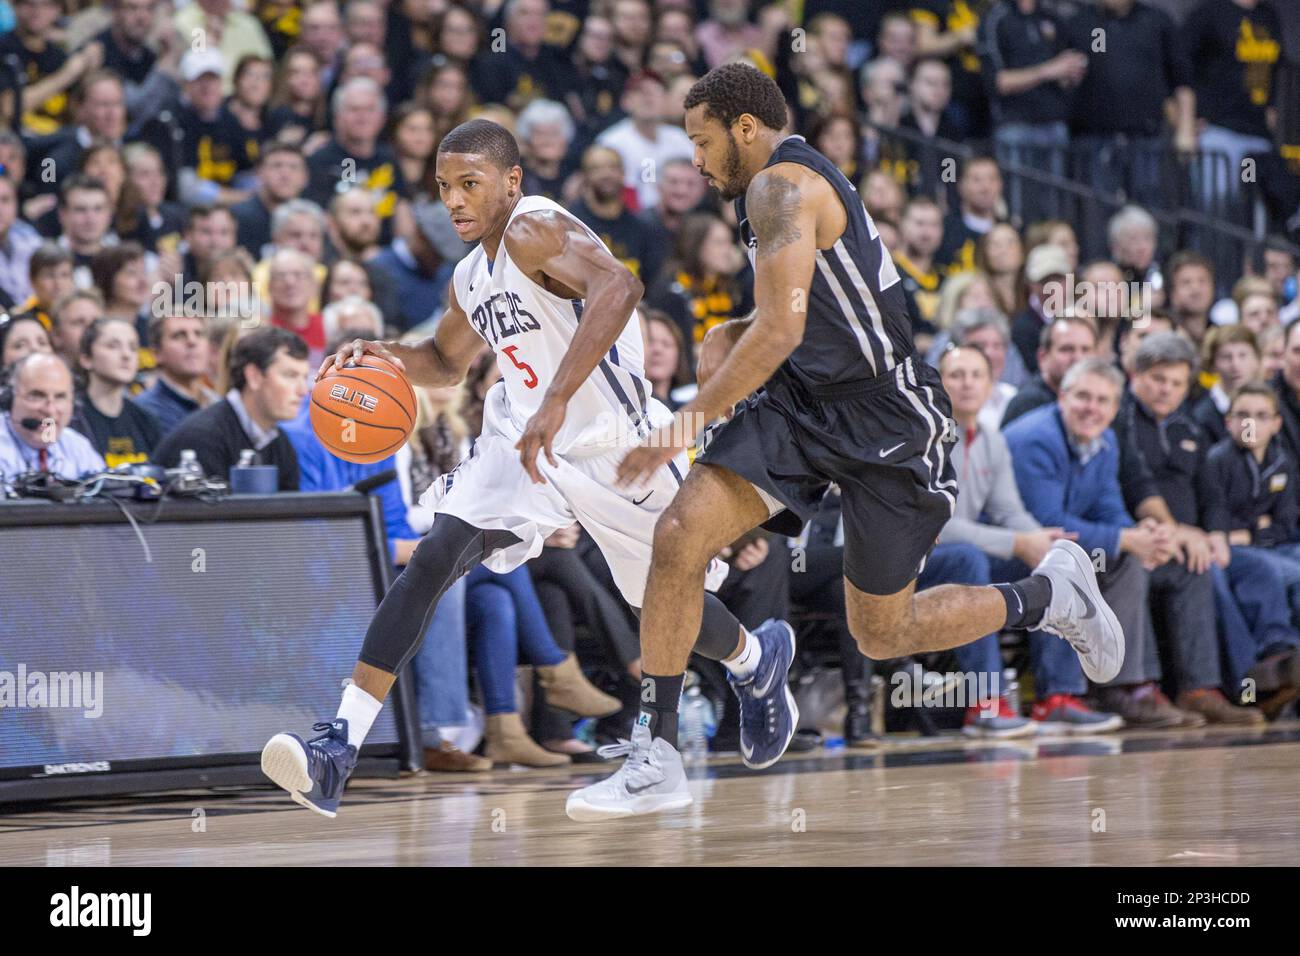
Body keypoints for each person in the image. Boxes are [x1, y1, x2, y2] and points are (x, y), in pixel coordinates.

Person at [570, 64, 1125, 820]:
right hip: (801, 405)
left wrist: (683, 425)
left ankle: (1050, 594)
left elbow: (783, 328)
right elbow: (791, 320)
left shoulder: (780, 187)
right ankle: (658, 749)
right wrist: (721, 340)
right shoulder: (769, 192)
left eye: (700, 143)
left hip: (888, 418)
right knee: (678, 535)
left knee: (882, 631)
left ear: (745, 128)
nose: (693, 162)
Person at [260, 118, 748, 818]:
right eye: (444, 188)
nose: (454, 200)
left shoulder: (535, 227)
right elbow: (447, 363)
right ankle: (338, 746)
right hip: (524, 441)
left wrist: (556, 400)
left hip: (612, 442)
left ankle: (755, 663)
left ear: (511, 182)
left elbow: (621, 288)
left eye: (470, 184)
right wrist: (382, 353)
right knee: (434, 557)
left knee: (665, 601)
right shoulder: (468, 276)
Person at [152, 326, 307, 488]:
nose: (303, 390)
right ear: (254, 376)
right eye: (290, 376)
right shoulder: (202, 439)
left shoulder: (280, 441)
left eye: (304, 377)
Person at [71, 316, 161, 466]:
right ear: (86, 359)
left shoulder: (145, 419)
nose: (126, 355)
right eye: (113, 346)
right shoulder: (71, 417)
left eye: (133, 347)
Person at [0, 352, 105, 480]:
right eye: (37, 395)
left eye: (60, 397)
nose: (50, 410)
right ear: (9, 399)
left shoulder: (78, 447)